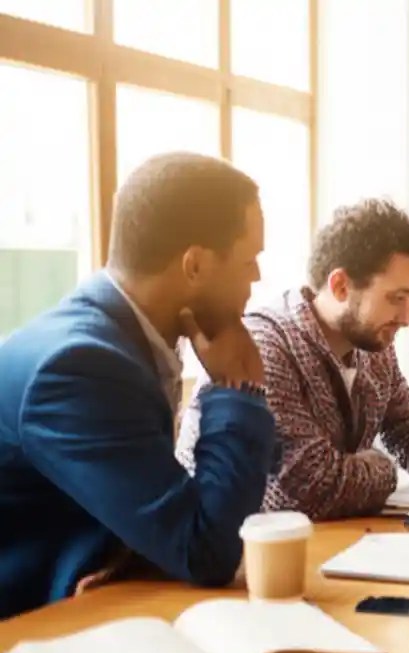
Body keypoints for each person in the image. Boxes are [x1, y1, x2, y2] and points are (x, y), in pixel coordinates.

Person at [0, 152, 276, 619]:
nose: (258, 277)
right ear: (194, 265)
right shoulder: (81, 366)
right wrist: (237, 388)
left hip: (85, 603)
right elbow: (207, 551)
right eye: (250, 260)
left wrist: (128, 549)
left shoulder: (119, 339)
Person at [178, 199, 409, 520]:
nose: (407, 318)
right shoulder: (264, 348)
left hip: (316, 546)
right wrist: (384, 467)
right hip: (218, 559)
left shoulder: (373, 345)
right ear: (339, 286)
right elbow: (311, 490)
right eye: (396, 298)